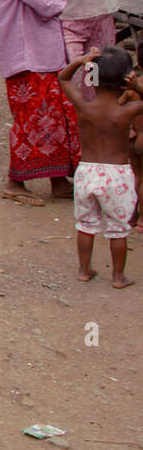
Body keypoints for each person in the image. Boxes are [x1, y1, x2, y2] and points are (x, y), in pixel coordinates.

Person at [0, 0, 77, 206]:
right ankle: (14, 182)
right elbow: (49, 5)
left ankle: (58, 180)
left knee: (54, 119)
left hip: (45, 56)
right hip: (28, 59)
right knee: (32, 121)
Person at [58, 46, 143, 289]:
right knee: (118, 230)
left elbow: (63, 77)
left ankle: (84, 270)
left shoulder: (85, 107)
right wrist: (137, 87)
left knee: (85, 225)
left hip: (86, 173)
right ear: (125, 81)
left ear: (92, 77)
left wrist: (81, 61)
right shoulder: (126, 111)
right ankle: (118, 277)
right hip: (117, 175)